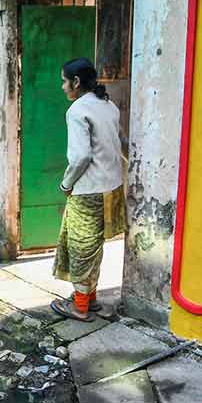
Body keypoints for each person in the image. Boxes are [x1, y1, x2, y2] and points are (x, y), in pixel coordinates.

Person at [50, 58, 127, 322]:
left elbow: (81, 157)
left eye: (64, 81)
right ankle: (90, 298)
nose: (62, 87)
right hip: (112, 187)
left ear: (76, 82)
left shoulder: (77, 110)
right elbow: (120, 143)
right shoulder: (109, 105)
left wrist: (66, 183)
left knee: (80, 246)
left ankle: (80, 307)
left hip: (89, 190)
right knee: (95, 245)